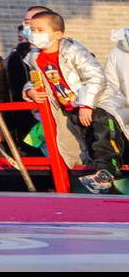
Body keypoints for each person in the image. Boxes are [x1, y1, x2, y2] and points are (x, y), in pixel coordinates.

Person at [22, 10, 129, 194]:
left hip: (100, 103)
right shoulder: (35, 58)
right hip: (70, 110)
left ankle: (105, 173)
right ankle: (96, 177)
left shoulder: (73, 51)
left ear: (57, 34)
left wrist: (87, 104)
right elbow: (35, 80)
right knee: (84, 143)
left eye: (40, 29)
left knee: (103, 130)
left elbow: (96, 77)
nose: (34, 33)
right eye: (32, 29)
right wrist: (29, 90)